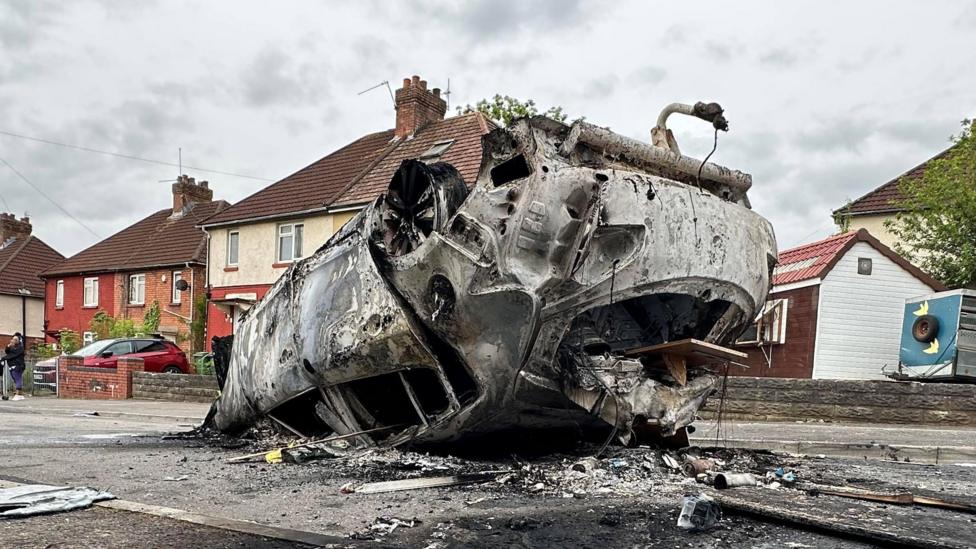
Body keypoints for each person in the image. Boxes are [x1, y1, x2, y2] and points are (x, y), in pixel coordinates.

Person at [2, 333, 26, 401]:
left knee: (17, 378)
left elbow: (13, 354)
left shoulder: (20, 348)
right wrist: (8, 346)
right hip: (12, 366)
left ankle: (18, 394)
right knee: (15, 379)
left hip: (18, 366)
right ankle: (20, 395)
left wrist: (4, 358)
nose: (13, 340)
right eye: (13, 339)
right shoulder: (12, 347)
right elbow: (7, 352)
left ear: (19, 341)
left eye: (15, 339)